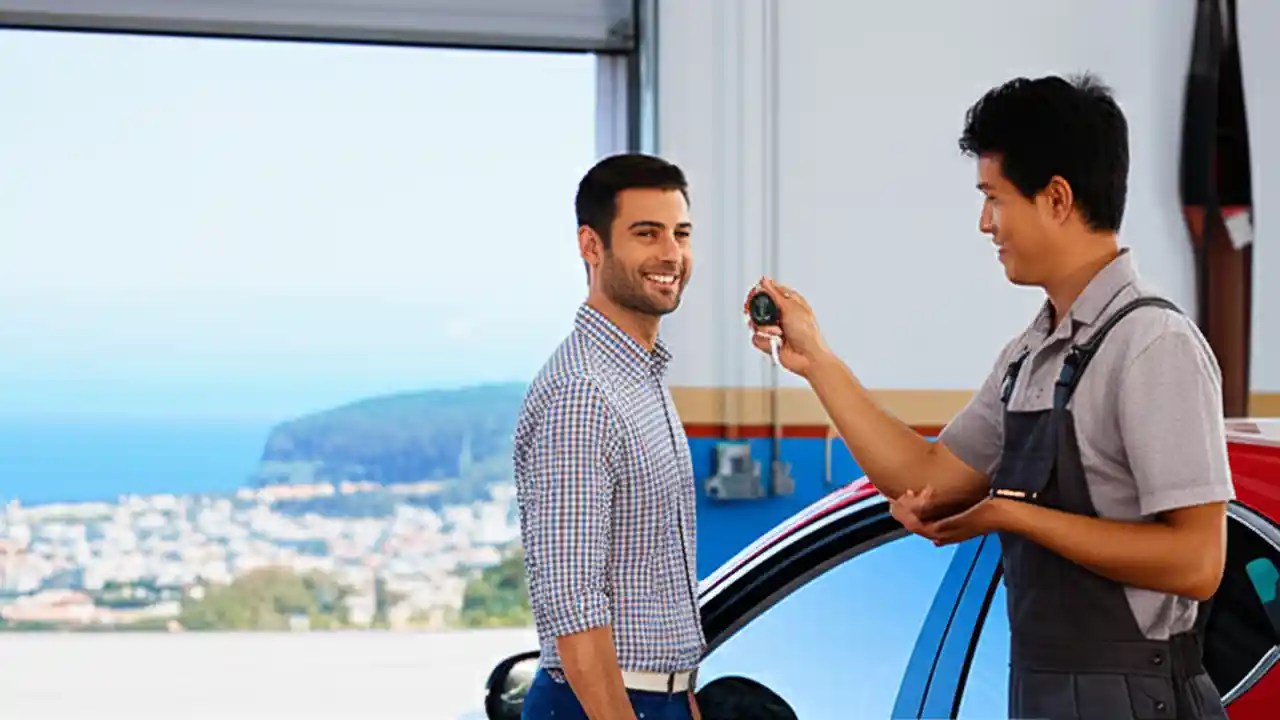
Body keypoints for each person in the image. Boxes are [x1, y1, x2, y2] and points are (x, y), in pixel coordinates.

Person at [744, 74, 1233, 719]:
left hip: (1137, 698)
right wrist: (820, 365)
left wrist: (1011, 515)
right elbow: (926, 478)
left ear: (1056, 198)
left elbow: (1197, 562)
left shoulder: (1152, 345)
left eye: (994, 198)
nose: (984, 224)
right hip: (1043, 689)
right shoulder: (1028, 355)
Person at [514, 153, 705, 720]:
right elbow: (574, 610)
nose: (671, 253)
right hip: (598, 705)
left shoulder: (640, 378)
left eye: (681, 233)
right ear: (591, 246)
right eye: (646, 234)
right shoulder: (582, 394)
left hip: (659, 698)